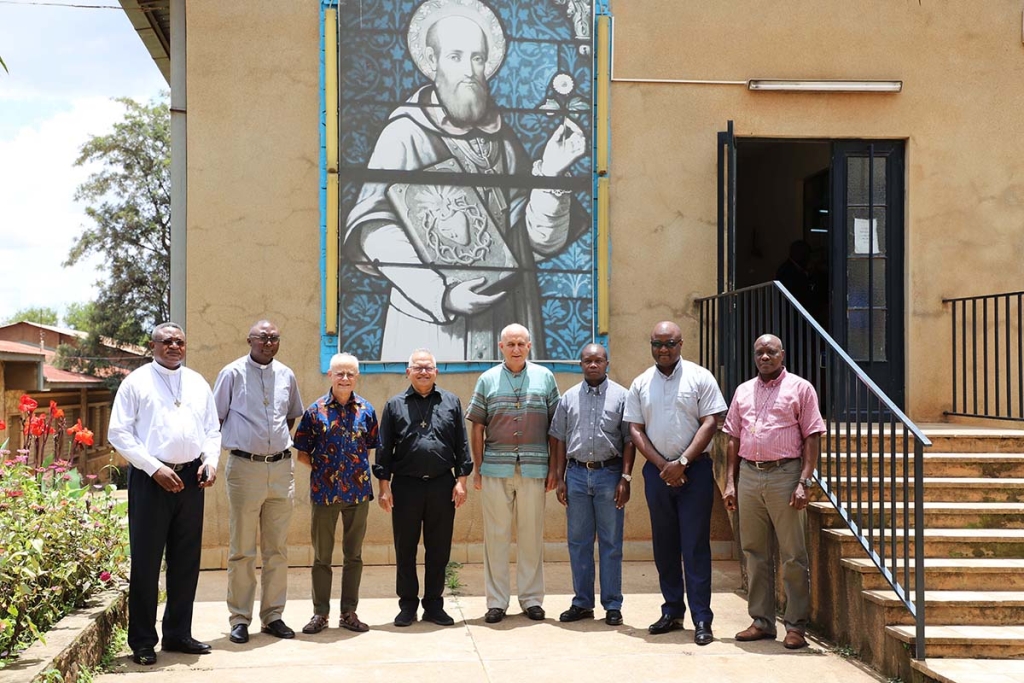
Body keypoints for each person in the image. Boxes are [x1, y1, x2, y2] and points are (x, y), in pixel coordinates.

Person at [343, 0, 588, 361]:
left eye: (478, 58)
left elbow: (539, 242)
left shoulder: (503, 141)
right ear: (431, 61)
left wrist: (552, 174)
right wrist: (442, 294)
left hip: (509, 314)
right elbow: (374, 230)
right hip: (433, 324)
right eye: (455, 56)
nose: (470, 70)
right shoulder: (405, 134)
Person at [108, 322, 221, 666]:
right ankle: (143, 641)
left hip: (191, 478)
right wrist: (153, 467)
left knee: (186, 561)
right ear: (152, 345)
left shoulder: (198, 382)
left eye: (179, 341)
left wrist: (211, 462)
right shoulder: (136, 382)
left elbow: (212, 429)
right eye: (167, 341)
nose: (174, 346)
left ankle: (178, 633)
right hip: (150, 479)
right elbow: (118, 433)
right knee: (146, 561)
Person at [624, 321, 727, 646]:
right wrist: (662, 466)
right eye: (657, 344)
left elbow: (711, 421)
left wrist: (681, 463)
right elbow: (635, 429)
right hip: (657, 475)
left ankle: (701, 619)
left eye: (669, 343)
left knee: (695, 545)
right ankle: (672, 610)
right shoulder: (641, 383)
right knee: (664, 546)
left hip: (694, 473)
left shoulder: (700, 377)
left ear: (681, 343)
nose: (663, 349)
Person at [722, 334, 826, 650]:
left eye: (771, 351)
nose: (764, 357)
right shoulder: (743, 391)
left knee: (793, 554)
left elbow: (812, 436)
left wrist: (804, 482)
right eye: (759, 352)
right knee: (754, 552)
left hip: (785, 474)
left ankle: (795, 626)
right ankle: (762, 622)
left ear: (782, 354)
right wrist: (730, 482)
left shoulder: (800, 388)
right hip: (750, 476)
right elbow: (732, 439)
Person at [213, 320, 305, 644]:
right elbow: (216, 418)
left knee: (277, 549)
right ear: (249, 339)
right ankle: (240, 618)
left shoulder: (287, 375)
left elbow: (291, 415)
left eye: (274, 338)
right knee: (242, 550)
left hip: (281, 470)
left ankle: (273, 616)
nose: (268, 343)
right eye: (262, 338)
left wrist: (273, 442)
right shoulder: (232, 373)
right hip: (244, 469)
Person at [466, 323, 560, 623]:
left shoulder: (545, 378)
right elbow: (477, 426)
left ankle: (531, 599)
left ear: (529, 346)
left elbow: (556, 428)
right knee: (496, 536)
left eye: (521, 344)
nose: (516, 349)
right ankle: (496, 601)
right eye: (511, 344)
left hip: (535, 469)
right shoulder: (487, 379)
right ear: (501, 347)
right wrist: (478, 469)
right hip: (495, 468)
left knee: (532, 535)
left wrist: (555, 469)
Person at [374, 349, 472, 627]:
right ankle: (407, 605)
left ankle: (433, 604)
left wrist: (461, 481)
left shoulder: (451, 402)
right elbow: (384, 450)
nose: (423, 372)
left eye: (428, 367)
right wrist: (384, 486)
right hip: (405, 487)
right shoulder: (394, 405)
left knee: (438, 549)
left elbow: (461, 445)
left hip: (443, 485)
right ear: (408, 372)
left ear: (436, 371)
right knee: (405, 548)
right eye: (417, 367)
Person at [293, 353, 379, 635]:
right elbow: (303, 453)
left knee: (354, 556)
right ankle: (320, 614)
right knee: (322, 557)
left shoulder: (366, 410)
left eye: (350, 374)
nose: (345, 378)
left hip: (357, 494)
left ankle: (349, 612)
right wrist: (325, 472)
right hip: (324, 494)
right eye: (339, 373)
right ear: (330, 376)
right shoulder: (314, 411)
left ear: (357, 377)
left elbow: (367, 448)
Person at [550, 343, 635, 626]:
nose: (593, 365)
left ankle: (612, 604)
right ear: (581, 364)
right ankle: (582, 603)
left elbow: (629, 440)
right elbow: (559, 439)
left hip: (608, 475)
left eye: (598, 360)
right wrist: (560, 477)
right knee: (578, 542)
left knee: (611, 543)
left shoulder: (622, 396)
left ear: (607, 363)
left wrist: (625, 478)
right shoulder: (569, 398)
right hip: (575, 475)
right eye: (588, 361)